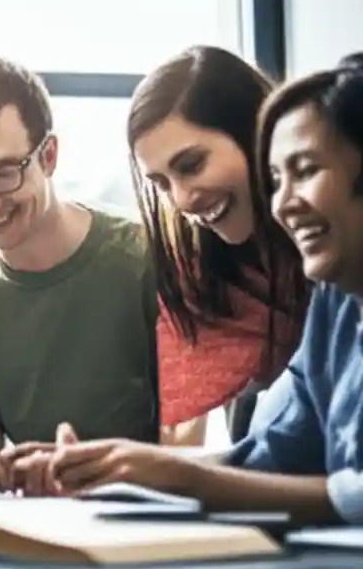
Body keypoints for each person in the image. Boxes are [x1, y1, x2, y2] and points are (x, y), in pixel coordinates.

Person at [43, 55, 363, 525]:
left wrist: (180, 477)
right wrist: (114, 466)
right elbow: (267, 455)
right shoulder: (334, 303)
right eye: (275, 179)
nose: (284, 205)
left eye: (306, 170)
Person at [0, 54, 158, 495]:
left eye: (3, 174)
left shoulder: (147, 258)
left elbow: (185, 444)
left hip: (149, 513)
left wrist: (90, 469)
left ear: (47, 156)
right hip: (36, 516)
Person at [127, 46, 310, 444]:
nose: (181, 199)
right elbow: (180, 436)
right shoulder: (194, 270)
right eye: (160, 183)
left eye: (191, 165)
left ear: (257, 129)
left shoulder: (337, 246)